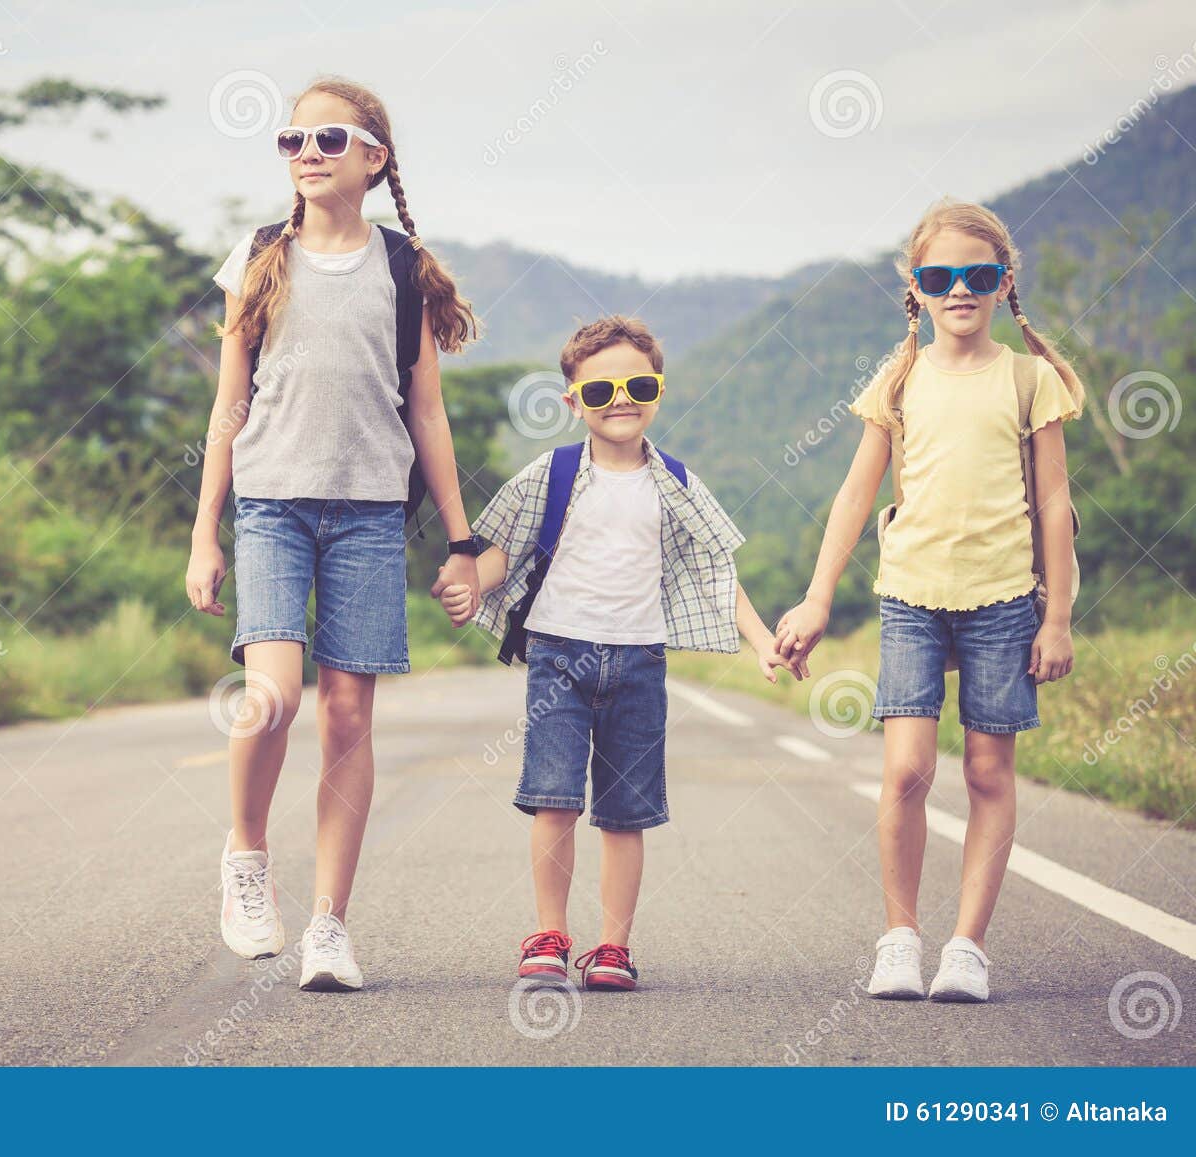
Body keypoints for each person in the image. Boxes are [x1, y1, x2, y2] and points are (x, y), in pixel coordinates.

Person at [186, 76, 481, 992]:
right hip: (271, 505)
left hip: (367, 516)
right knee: (270, 696)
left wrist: (463, 544)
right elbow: (228, 404)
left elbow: (426, 415)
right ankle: (245, 854)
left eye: (327, 138)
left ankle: (328, 925)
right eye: (291, 139)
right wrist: (207, 531)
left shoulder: (405, 272)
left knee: (348, 716)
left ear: (374, 158)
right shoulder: (260, 259)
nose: (306, 152)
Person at [774, 198, 1085, 1002]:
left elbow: (1055, 506)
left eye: (978, 276)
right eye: (939, 276)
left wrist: (1057, 617)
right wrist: (815, 600)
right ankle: (900, 938)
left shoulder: (1030, 378)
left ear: (1003, 283)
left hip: (1005, 600)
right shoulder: (900, 378)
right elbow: (853, 495)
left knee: (988, 769)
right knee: (907, 769)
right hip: (910, 594)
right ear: (913, 288)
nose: (959, 290)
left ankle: (967, 948)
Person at [438, 316, 804, 991]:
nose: (621, 400)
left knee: (625, 810)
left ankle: (613, 946)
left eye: (638, 384)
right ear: (573, 400)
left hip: (639, 663)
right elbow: (502, 551)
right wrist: (469, 585)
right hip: (558, 660)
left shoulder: (676, 485)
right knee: (553, 798)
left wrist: (760, 644)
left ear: (658, 390)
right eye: (601, 389)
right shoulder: (550, 474)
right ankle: (549, 933)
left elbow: (716, 573)